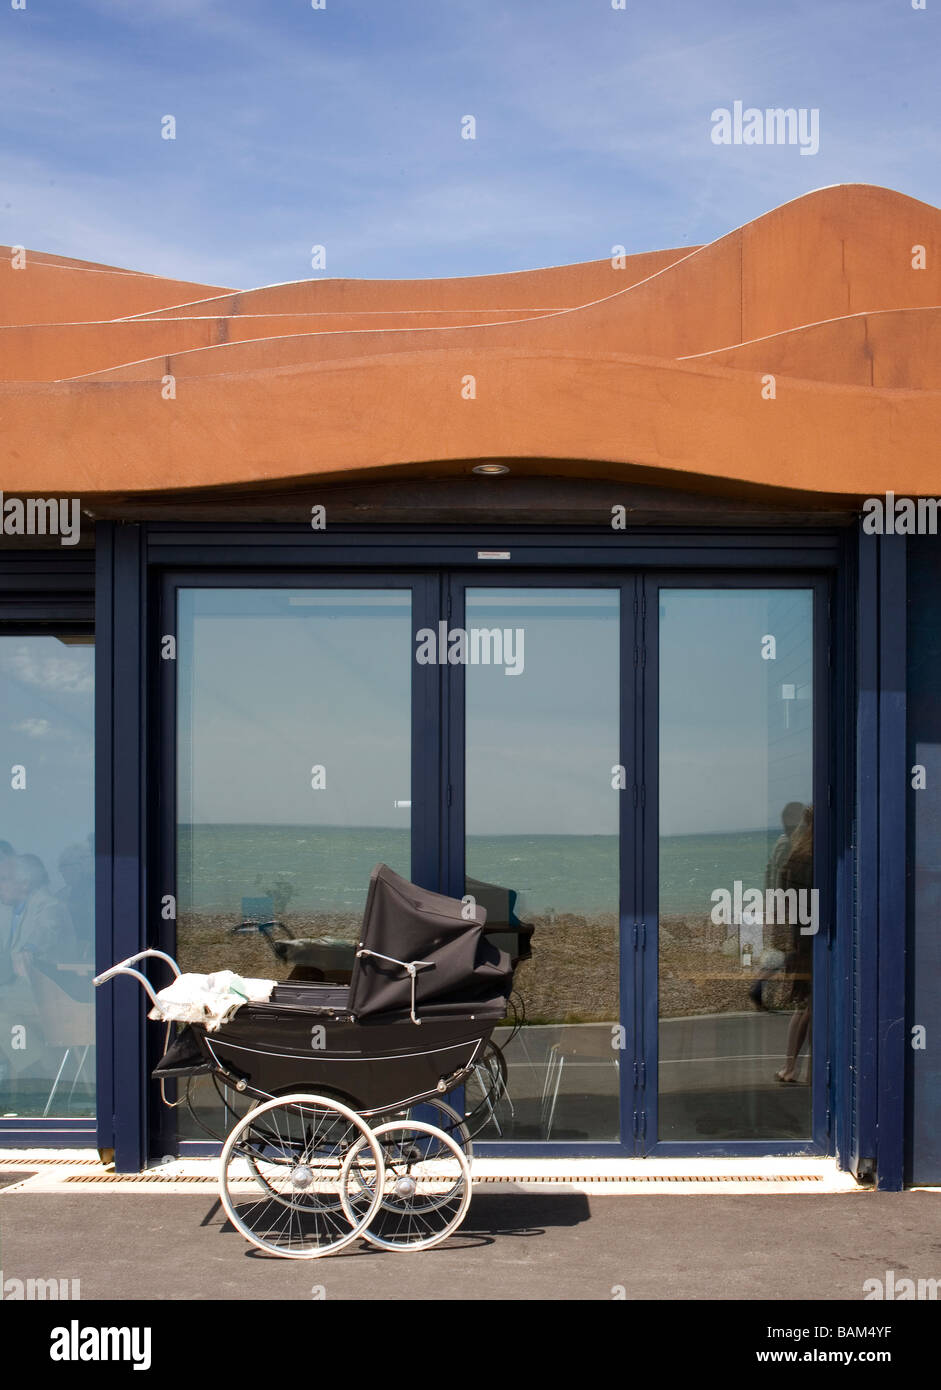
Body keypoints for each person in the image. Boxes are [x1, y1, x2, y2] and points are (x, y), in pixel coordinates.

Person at [749, 802, 805, 1009]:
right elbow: (781, 876)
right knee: (785, 949)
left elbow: (769, 872)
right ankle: (759, 987)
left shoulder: (786, 842)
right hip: (784, 906)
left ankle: (761, 987)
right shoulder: (787, 844)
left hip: (781, 905)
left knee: (784, 949)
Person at [775, 807, 814, 1084]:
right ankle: (800, 1069)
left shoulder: (794, 856)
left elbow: (784, 900)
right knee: (811, 1008)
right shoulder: (813, 858)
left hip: (800, 938)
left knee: (805, 1006)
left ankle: (791, 1067)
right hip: (812, 942)